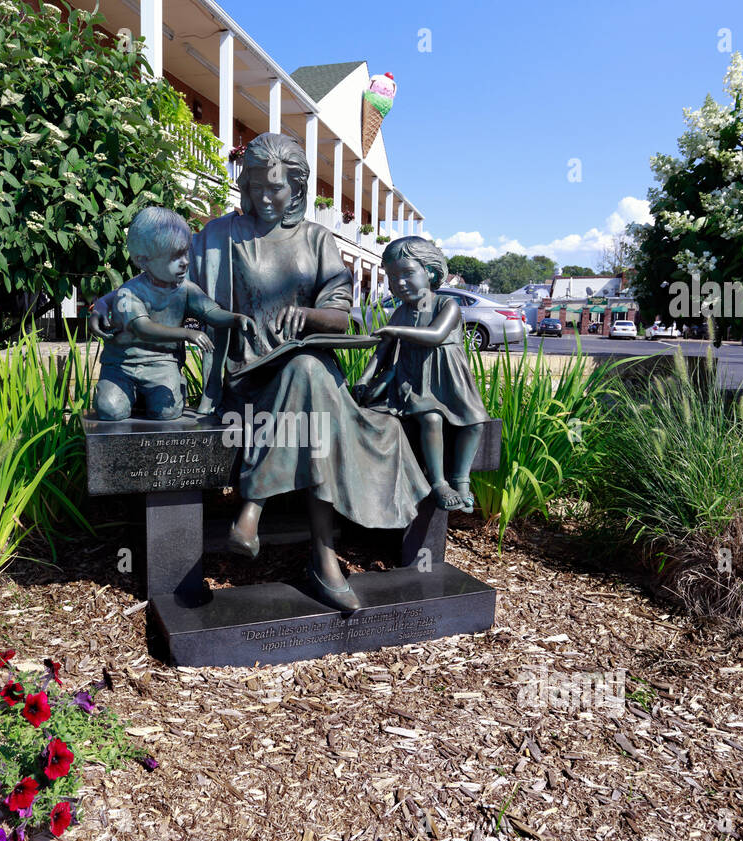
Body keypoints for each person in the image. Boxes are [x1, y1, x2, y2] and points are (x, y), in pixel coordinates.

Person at [190, 133, 430, 612]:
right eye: (255, 184)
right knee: (310, 381)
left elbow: (345, 315)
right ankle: (322, 559)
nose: (264, 196)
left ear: (297, 189)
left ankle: (254, 507)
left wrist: (311, 317)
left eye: (275, 187)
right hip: (250, 379)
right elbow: (186, 298)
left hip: (310, 374)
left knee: (306, 370)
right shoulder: (224, 237)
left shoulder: (318, 240)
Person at [357, 237, 490, 513]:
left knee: (476, 422)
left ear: (429, 272)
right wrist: (364, 378)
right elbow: (382, 352)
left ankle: (461, 479)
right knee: (430, 418)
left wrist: (397, 332)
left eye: (407, 274)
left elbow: (436, 335)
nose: (399, 283)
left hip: (449, 378)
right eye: (393, 277)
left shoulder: (446, 305)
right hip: (416, 382)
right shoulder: (400, 313)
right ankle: (439, 483)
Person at [94, 207, 255, 421]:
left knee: (167, 413)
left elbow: (212, 312)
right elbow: (143, 328)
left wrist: (236, 319)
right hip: (121, 366)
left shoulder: (186, 289)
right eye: (175, 257)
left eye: (186, 253)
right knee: (110, 410)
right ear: (143, 260)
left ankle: (162, 389)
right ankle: (129, 393)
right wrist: (187, 334)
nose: (185, 262)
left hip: (162, 364)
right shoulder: (128, 293)